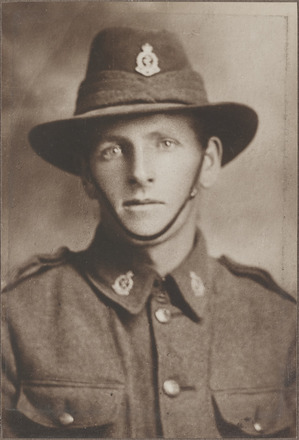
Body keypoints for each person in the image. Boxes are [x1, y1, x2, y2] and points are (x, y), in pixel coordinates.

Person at [2, 27, 296, 438]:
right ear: (86, 174)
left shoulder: (279, 323)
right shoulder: (17, 318)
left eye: (166, 143)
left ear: (208, 162)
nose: (140, 173)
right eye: (113, 150)